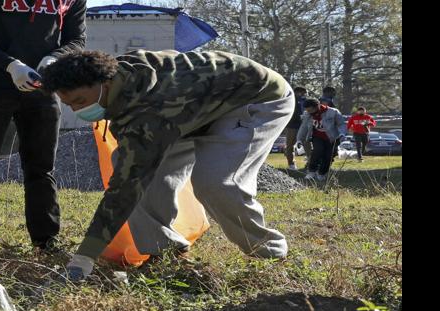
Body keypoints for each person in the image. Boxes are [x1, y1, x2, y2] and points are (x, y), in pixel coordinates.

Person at [43, 49, 294, 280]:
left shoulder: (153, 108)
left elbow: (125, 188)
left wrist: (86, 255)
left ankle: (269, 252)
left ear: (105, 84)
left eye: (80, 100)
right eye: (70, 105)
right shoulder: (118, 74)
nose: (77, 110)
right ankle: (163, 252)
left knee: (216, 183)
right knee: (126, 159)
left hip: (253, 99)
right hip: (193, 111)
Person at [0, 0, 87, 256]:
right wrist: (10, 64)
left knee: (41, 168)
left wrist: (53, 59)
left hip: (42, 87)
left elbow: (77, 39)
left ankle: (45, 244)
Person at [302, 97, 346, 182]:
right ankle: (311, 171)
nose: (309, 112)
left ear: (317, 106)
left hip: (332, 138)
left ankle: (322, 173)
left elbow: (341, 124)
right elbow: (303, 127)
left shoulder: (333, 112)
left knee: (328, 156)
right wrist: (300, 138)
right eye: (307, 110)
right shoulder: (307, 114)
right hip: (317, 136)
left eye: (310, 110)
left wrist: (342, 133)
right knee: (317, 151)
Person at [282, 88, 310, 170]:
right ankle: (291, 164)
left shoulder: (306, 101)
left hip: (304, 125)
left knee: (307, 144)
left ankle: (310, 164)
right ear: (299, 92)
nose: (305, 95)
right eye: (304, 93)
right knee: (290, 146)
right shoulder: (290, 99)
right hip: (292, 126)